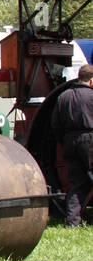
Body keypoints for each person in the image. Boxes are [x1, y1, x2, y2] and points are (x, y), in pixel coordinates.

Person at [52, 63, 93, 227]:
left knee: (77, 184)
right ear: (91, 80)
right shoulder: (91, 96)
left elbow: (55, 124)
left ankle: (72, 222)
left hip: (70, 142)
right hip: (90, 139)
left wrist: (64, 140)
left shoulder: (63, 96)